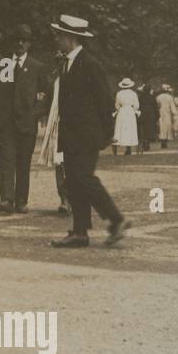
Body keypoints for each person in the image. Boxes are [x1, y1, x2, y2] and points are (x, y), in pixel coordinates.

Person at [47, 15, 127, 248]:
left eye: (60, 36)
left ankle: (116, 219)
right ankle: (80, 232)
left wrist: (106, 133)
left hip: (86, 135)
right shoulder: (67, 63)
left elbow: (104, 100)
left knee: (83, 179)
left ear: (70, 38)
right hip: (72, 135)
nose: (57, 40)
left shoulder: (90, 64)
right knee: (73, 181)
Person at [0, 24, 47, 213]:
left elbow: (46, 94)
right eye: (17, 40)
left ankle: (21, 200)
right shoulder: (3, 64)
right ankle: (6, 199)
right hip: (6, 123)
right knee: (6, 161)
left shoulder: (37, 67)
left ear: (29, 44)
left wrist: (35, 114)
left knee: (23, 162)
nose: (20, 43)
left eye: (24, 40)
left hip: (26, 123)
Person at [37, 50, 71, 216]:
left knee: (72, 163)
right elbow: (47, 102)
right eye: (58, 61)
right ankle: (64, 199)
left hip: (73, 125)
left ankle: (73, 198)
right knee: (59, 163)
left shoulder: (77, 80)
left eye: (63, 61)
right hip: (57, 124)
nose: (61, 64)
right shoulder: (54, 82)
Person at [112, 78, 140, 156]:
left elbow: (116, 105)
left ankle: (117, 143)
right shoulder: (133, 94)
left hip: (122, 111)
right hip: (130, 112)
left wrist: (120, 109)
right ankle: (129, 148)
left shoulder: (119, 93)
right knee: (130, 129)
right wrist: (133, 110)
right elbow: (136, 105)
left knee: (120, 129)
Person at [155, 84, 177, 148]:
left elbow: (157, 105)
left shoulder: (158, 97)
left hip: (160, 112)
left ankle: (162, 140)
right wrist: (174, 113)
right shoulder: (170, 97)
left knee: (161, 127)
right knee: (167, 126)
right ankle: (165, 141)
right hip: (167, 112)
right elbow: (172, 106)